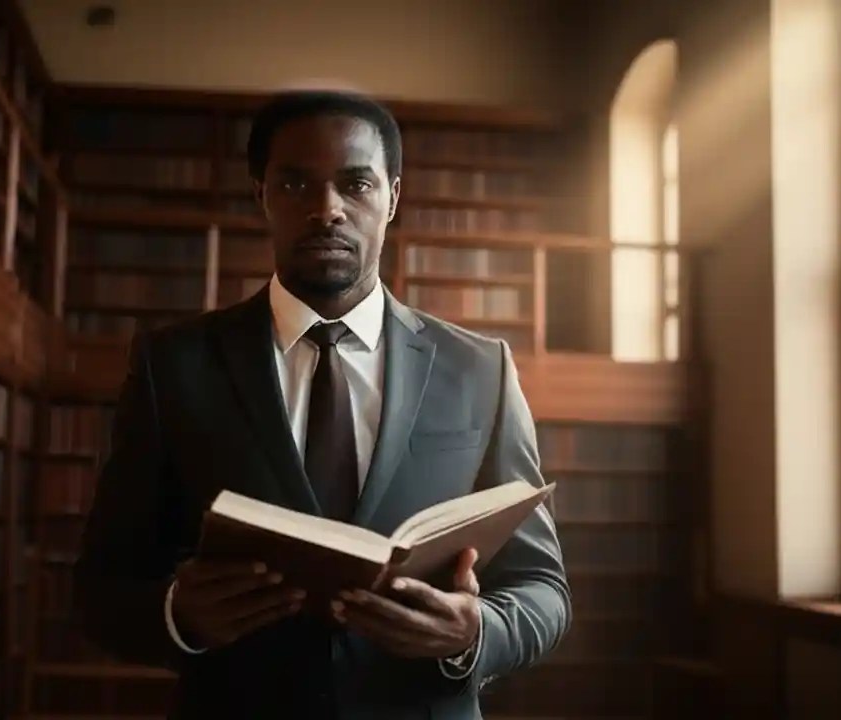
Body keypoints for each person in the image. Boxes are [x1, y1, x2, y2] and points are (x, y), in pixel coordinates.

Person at [73, 89, 572, 720]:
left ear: (392, 196)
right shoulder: (172, 366)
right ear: (262, 197)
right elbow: (99, 589)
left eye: (356, 184)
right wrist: (178, 614)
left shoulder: (481, 369)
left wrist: (474, 633)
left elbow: (543, 589)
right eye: (295, 185)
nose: (327, 209)